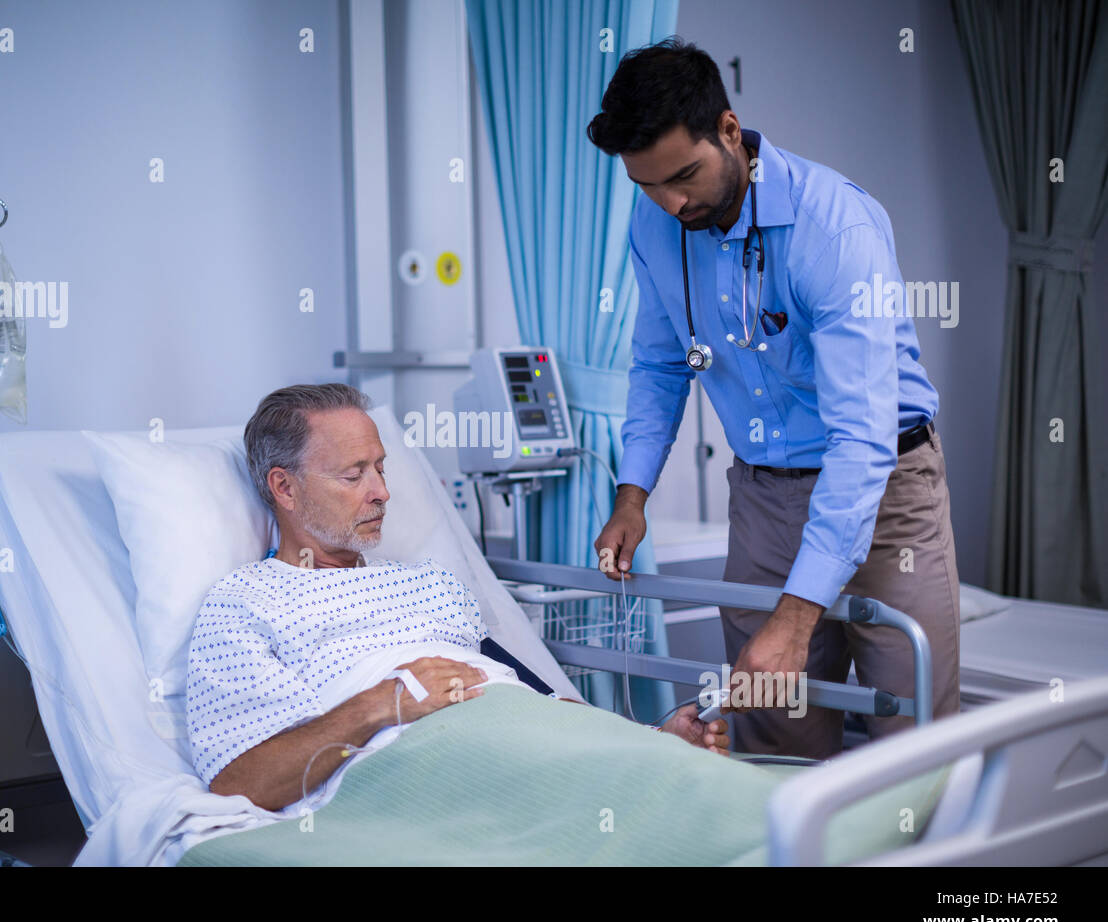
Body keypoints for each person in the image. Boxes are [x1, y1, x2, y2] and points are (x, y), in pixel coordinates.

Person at [588, 37, 960, 759]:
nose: (672, 203)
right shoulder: (656, 224)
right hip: (763, 499)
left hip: (883, 491)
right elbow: (661, 364)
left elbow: (860, 437)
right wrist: (632, 494)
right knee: (770, 733)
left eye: (684, 176)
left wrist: (796, 617)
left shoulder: (835, 229)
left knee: (910, 740)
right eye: (648, 187)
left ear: (730, 131)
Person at [187, 383, 728, 810]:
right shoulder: (245, 604)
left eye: (380, 467)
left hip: (527, 743)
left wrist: (647, 738)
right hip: (433, 769)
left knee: (706, 795)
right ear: (284, 488)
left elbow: (536, 700)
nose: (382, 491)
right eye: (354, 475)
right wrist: (383, 704)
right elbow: (237, 783)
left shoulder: (429, 583)